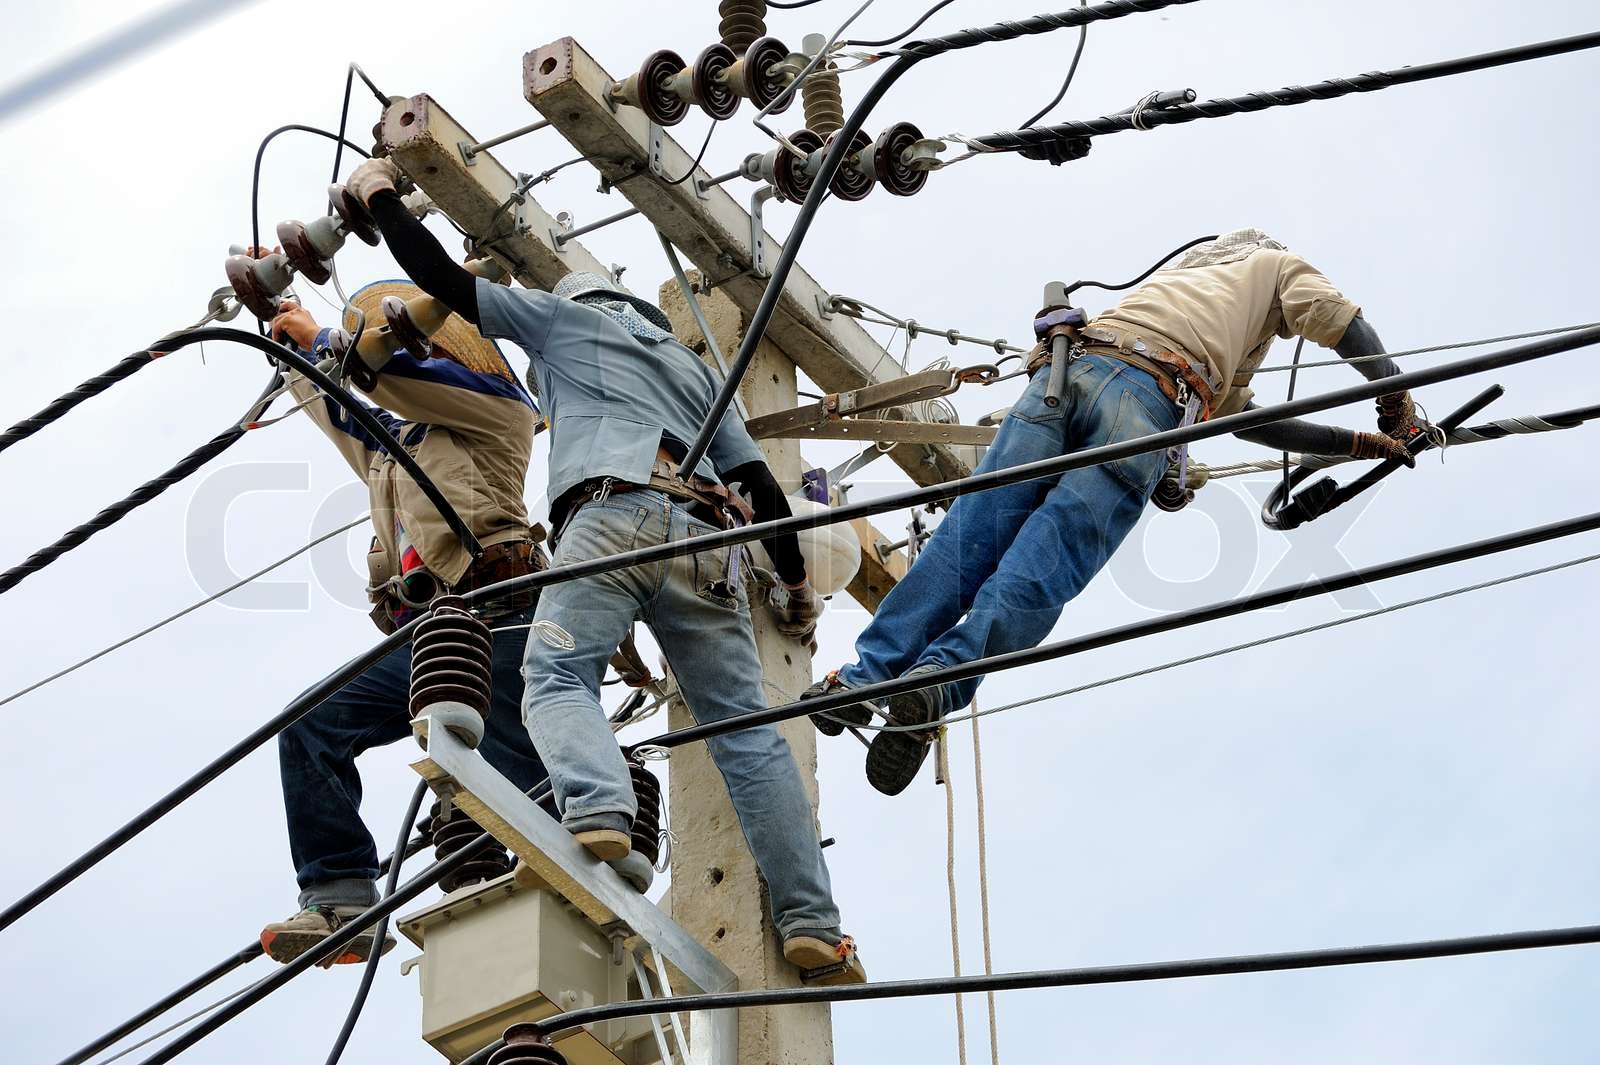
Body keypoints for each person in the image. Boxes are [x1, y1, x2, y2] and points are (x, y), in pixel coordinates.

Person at [341, 156, 866, 984]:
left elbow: (437, 274)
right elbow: (763, 489)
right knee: (748, 738)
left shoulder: (566, 321)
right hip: (708, 547)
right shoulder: (696, 372)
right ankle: (815, 926)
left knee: (553, 674)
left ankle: (599, 812)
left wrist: (377, 196)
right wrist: (796, 584)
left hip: (613, 518)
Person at [807, 228, 1420, 795]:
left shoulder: (1177, 288)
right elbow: (1346, 327)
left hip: (1064, 374)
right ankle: (939, 681)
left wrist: (1355, 444)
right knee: (1045, 562)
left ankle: (863, 677)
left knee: (969, 537)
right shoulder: (1276, 267)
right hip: (1145, 400)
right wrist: (1395, 404)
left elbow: (1253, 424)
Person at [256, 280, 557, 966]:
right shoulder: (392, 445)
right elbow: (336, 402)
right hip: (432, 635)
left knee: (532, 783)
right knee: (311, 723)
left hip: (502, 617)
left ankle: (584, 868)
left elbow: (382, 379)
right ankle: (342, 896)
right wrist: (281, 338)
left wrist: (321, 340)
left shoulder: (500, 408)